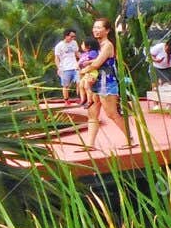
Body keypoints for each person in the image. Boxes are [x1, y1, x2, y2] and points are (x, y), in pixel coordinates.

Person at [82, 16, 132, 149]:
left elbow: (97, 63)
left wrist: (84, 69)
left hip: (107, 83)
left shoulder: (108, 45)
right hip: (95, 83)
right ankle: (90, 144)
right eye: (94, 27)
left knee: (112, 113)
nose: (95, 30)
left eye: (99, 27)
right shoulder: (95, 45)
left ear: (107, 30)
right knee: (92, 114)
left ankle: (129, 139)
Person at [52, 28, 81, 104]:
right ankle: (66, 100)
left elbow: (77, 53)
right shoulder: (59, 46)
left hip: (75, 67)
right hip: (65, 68)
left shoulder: (74, 43)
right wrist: (59, 68)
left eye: (74, 36)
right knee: (66, 85)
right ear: (66, 36)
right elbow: (56, 58)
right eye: (71, 36)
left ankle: (79, 98)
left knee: (79, 83)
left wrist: (83, 59)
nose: (73, 38)